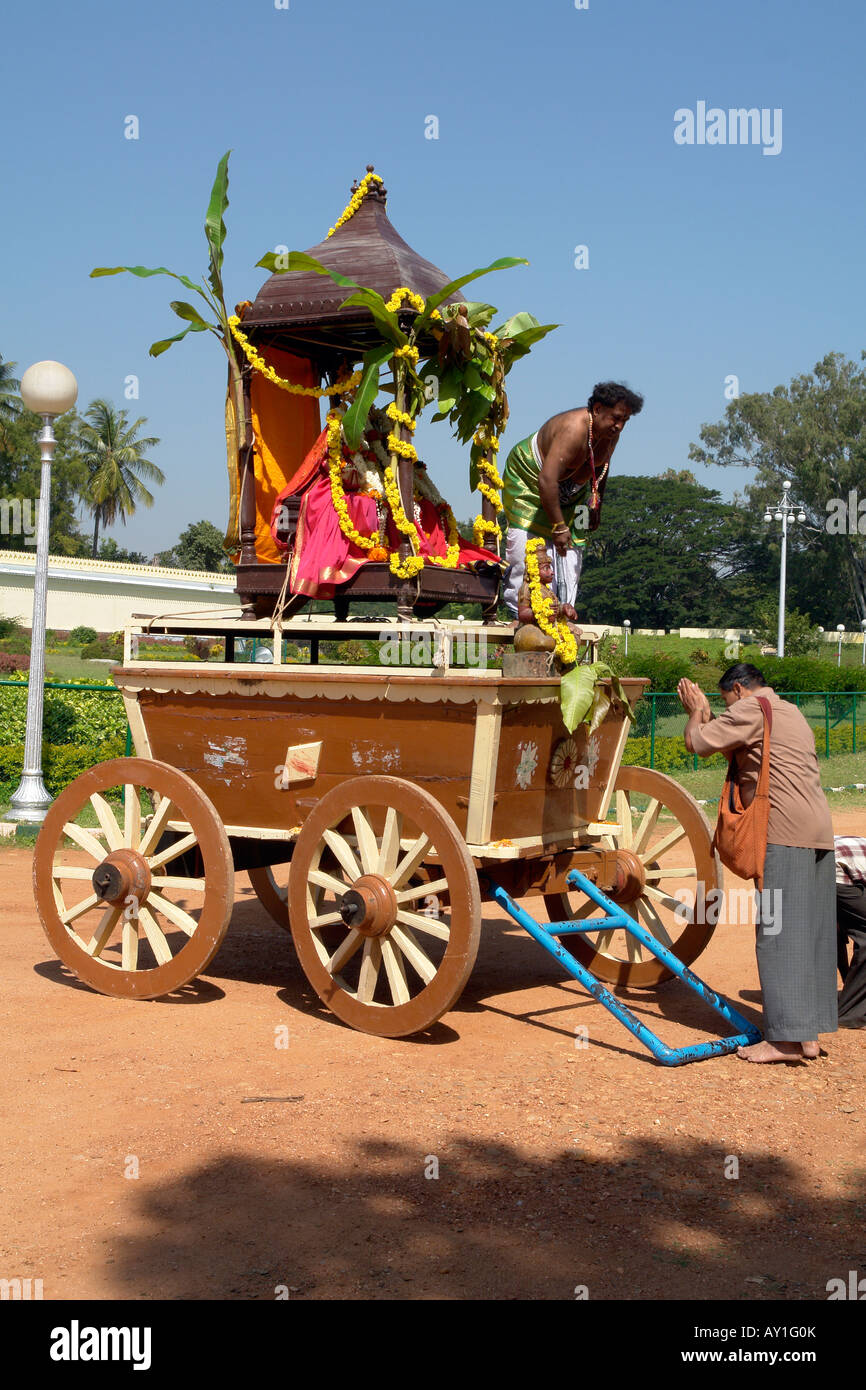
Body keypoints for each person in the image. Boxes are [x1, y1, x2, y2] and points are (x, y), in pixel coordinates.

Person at [677, 663, 837, 1063]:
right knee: (809, 933)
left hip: (781, 830)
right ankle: (807, 1036)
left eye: (725, 700)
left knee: (776, 931)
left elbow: (696, 743)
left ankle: (784, 1041)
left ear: (739, 689)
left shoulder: (749, 710)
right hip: (817, 829)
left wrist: (696, 710)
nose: (725, 708)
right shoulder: (787, 710)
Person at [502, 381, 643, 616]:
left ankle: (562, 610)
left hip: (573, 494)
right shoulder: (573, 428)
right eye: (616, 418)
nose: (619, 426)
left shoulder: (610, 434)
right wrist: (558, 526)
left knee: (573, 549)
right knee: (526, 552)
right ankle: (523, 614)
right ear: (597, 409)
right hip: (531, 483)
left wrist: (597, 503)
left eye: (624, 421)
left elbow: (601, 467)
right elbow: (547, 480)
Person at [835, 835, 866, 1028]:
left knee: (837, 926)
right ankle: (850, 1012)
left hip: (812, 862)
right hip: (835, 871)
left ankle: (850, 994)